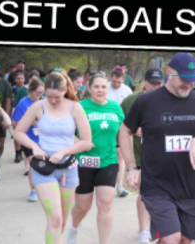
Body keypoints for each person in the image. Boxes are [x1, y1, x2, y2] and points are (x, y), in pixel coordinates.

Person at [120, 54, 195, 244]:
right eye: (184, 79)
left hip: (190, 187)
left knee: (184, 239)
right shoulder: (147, 101)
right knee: (172, 238)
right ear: (169, 73)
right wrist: (131, 167)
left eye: (192, 80)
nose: (189, 84)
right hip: (157, 186)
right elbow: (125, 130)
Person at [13, 72, 94, 244]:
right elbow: (18, 132)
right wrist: (35, 146)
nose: (53, 101)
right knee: (55, 219)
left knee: (62, 221)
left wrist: (63, 152)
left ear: (65, 90)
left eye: (57, 97)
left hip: (68, 170)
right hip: (44, 169)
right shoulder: (38, 106)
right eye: (48, 96)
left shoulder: (75, 108)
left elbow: (86, 141)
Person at [69, 73, 125, 244]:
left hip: (108, 161)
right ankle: (74, 228)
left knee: (106, 203)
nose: (100, 90)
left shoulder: (115, 108)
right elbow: (67, 132)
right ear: (90, 88)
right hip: (84, 162)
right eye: (96, 87)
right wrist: (80, 142)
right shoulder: (80, 107)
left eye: (103, 87)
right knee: (83, 206)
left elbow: (123, 133)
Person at [120, 67, 164, 244]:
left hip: (162, 156)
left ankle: (153, 226)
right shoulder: (131, 100)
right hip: (140, 154)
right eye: (152, 83)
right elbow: (122, 127)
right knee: (146, 191)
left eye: (158, 83)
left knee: (160, 194)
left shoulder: (168, 100)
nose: (155, 86)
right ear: (144, 82)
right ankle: (144, 230)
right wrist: (134, 129)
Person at [12, 77, 45, 195]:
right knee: (34, 164)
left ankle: (43, 187)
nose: (40, 95)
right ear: (30, 90)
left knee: (43, 164)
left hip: (43, 139)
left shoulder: (45, 102)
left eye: (42, 93)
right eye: (37, 92)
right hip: (28, 139)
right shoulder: (23, 103)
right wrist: (32, 121)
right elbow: (15, 123)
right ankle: (33, 190)